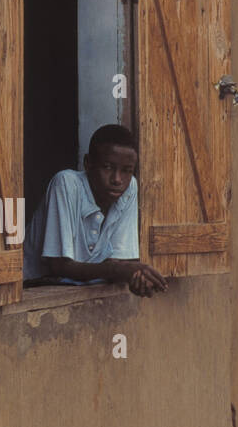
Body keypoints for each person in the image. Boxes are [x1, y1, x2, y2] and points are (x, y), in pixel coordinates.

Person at [21, 124, 168, 298]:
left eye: (127, 171)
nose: (117, 179)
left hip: (81, 289)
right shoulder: (66, 184)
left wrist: (135, 277)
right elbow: (59, 266)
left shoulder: (129, 189)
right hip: (33, 285)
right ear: (88, 163)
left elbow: (123, 259)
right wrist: (120, 269)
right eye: (107, 167)